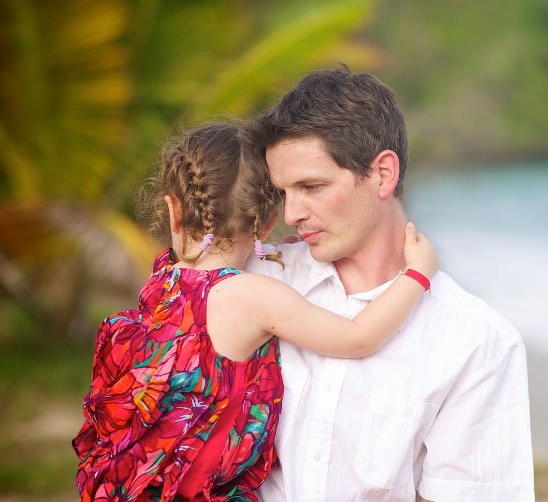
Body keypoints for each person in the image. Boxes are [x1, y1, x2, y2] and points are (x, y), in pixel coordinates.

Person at [72, 122, 438, 501]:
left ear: (173, 210)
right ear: (264, 222)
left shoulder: (161, 281)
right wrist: (416, 274)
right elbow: (358, 337)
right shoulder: (254, 296)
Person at [244, 66, 534, 501]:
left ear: (382, 174)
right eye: (284, 192)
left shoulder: (477, 341)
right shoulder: (254, 279)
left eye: (311, 186)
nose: (291, 215)